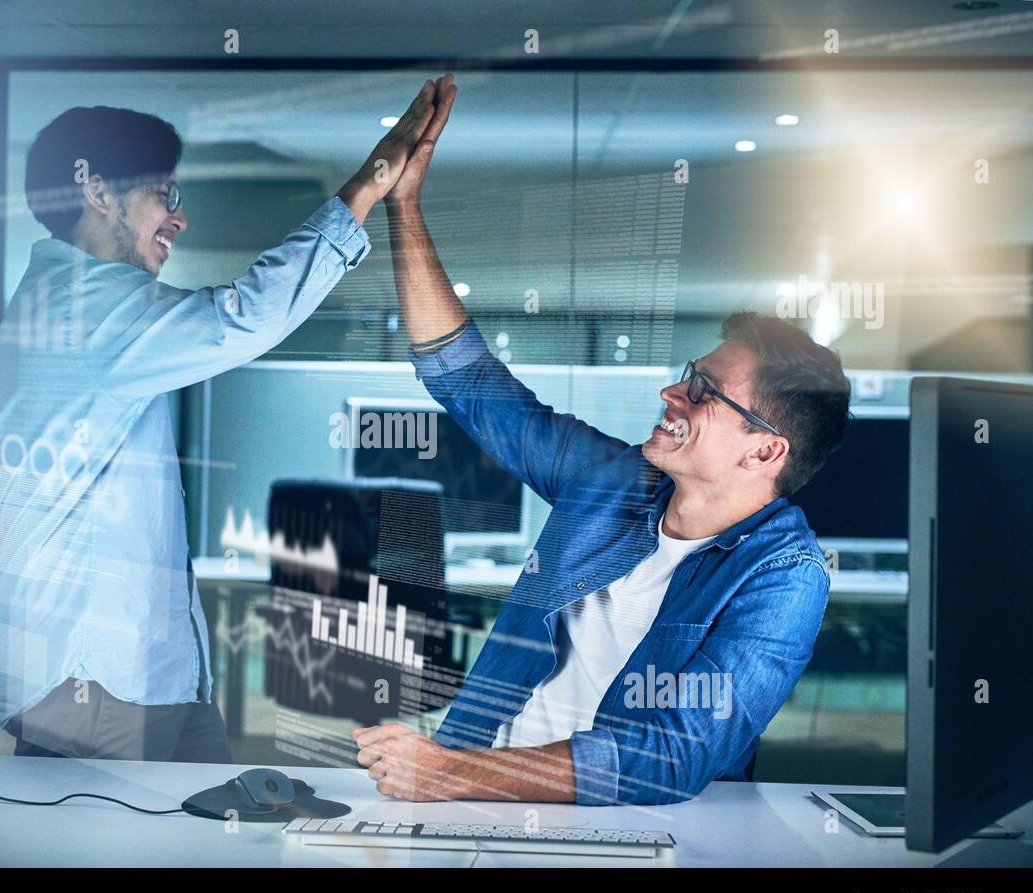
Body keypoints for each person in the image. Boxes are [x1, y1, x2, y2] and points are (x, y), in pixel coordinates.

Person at [354, 74, 852, 805]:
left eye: (705, 393)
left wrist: (446, 772)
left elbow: (669, 757)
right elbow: (467, 380)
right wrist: (403, 205)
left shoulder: (784, 575)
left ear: (764, 449)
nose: (671, 394)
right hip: (461, 801)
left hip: (618, 833)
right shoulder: (612, 479)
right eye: (690, 375)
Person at [0, 82, 444, 762]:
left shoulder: (50, 311)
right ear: (97, 192)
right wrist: (365, 188)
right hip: (99, 685)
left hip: (118, 681)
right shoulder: (84, 312)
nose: (178, 217)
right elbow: (242, 317)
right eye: (164, 193)